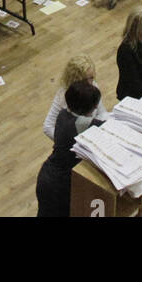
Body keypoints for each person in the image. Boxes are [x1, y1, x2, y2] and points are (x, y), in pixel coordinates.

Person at [36, 80, 104, 217]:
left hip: (47, 176)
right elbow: (108, 127)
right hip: (61, 185)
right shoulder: (83, 123)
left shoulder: (62, 114)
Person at [42, 55, 111, 141]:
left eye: (92, 78)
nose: (91, 82)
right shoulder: (62, 96)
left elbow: (102, 112)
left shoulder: (93, 86)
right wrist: (66, 142)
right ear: (76, 79)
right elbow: (48, 126)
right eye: (86, 79)